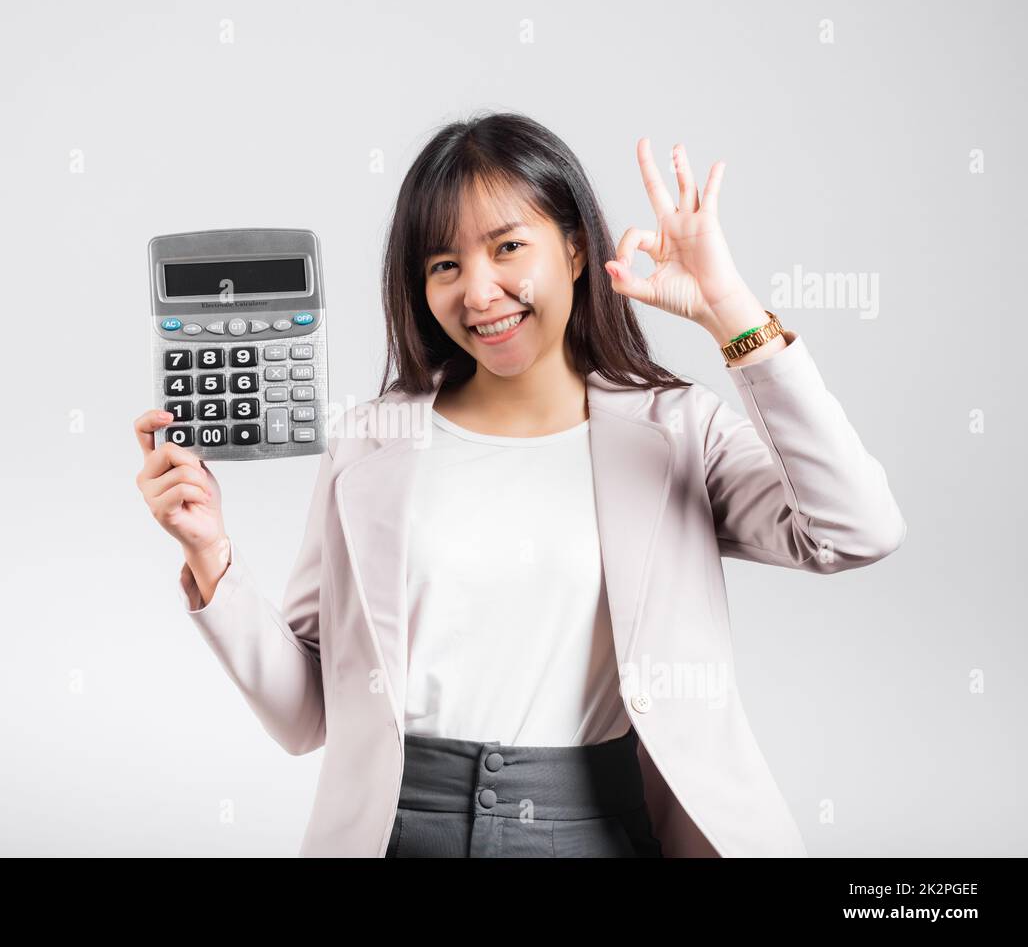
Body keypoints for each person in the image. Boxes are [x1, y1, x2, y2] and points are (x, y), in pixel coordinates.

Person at [132, 112, 906, 857]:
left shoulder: (676, 430)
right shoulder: (370, 441)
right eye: (444, 265)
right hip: (400, 827)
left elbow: (854, 528)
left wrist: (731, 311)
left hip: (597, 823)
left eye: (507, 247)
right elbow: (306, 714)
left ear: (574, 250)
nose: (477, 291)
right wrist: (211, 557)